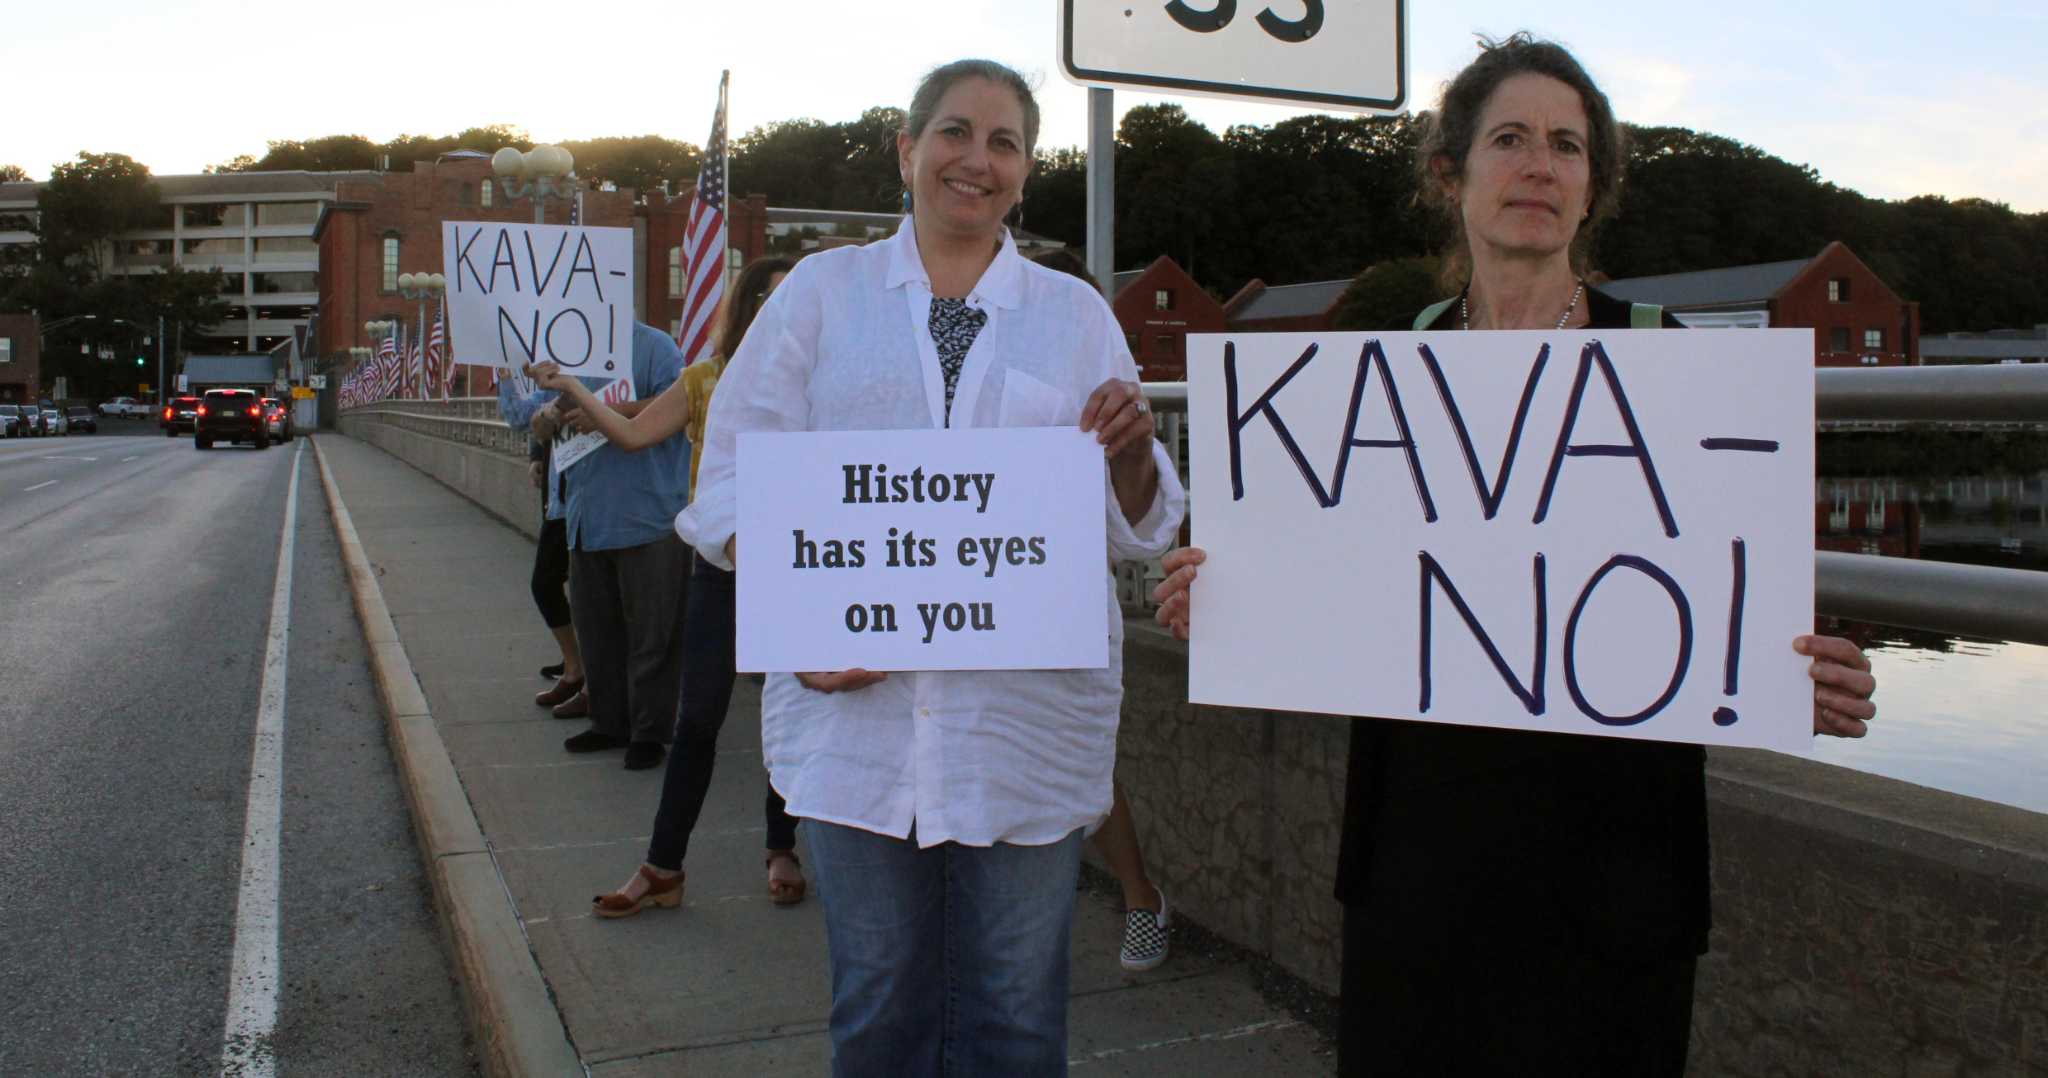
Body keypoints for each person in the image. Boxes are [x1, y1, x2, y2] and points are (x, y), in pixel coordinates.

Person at [1150, 34, 1880, 1077]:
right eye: (1508, 139)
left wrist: (1800, 671)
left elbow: (1739, 599)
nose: (1538, 165)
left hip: (1617, 868)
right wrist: (1224, 600)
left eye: (1566, 146)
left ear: (1592, 188)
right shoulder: (1378, 377)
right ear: (1450, 173)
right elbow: (1332, 587)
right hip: (1417, 858)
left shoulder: (1672, 362)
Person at [674, 59, 1186, 1075]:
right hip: (855, 739)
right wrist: (799, 609)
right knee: (877, 1015)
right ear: (907, 151)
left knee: (1016, 1016)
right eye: (954, 133)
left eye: (1003, 144)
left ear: (1026, 172)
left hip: (1022, 732)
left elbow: (1140, 526)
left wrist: (1130, 455)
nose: (976, 160)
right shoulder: (823, 293)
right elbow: (727, 475)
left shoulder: (1074, 315)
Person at [528, 255, 813, 911]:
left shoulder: (822, 384)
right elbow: (631, 434)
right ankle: (663, 867)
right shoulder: (706, 379)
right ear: (746, 307)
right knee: (696, 721)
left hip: (800, 568)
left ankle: (781, 848)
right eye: (768, 298)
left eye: (791, 299)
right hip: (722, 568)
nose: (781, 310)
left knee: (784, 716)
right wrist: (572, 388)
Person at [1031, 246, 1171, 972]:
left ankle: (1141, 898)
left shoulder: (1105, 392)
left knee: (1088, 772)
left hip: (1061, 620)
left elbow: (1141, 527)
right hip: (966, 638)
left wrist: (1131, 452)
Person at [505, 323, 694, 770]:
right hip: (586, 517)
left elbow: (682, 406)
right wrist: (546, 421)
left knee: (652, 634)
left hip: (647, 513)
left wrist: (608, 411)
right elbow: (534, 421)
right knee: (597, 630)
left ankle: (649, 732)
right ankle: (609, 722)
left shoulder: (654, 347)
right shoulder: (568, 351)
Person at [525, 435, 587, 716]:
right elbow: (542, 409)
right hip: (558, 497)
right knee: (547, 585)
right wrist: (537, 452)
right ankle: (574, 665)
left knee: (552, 585)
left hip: (580, 494)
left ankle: (579, 671)